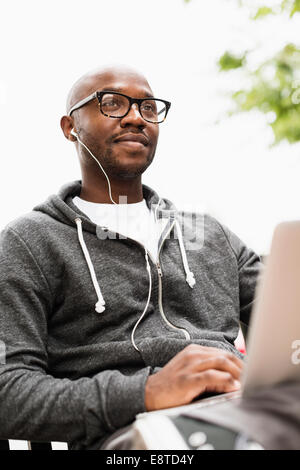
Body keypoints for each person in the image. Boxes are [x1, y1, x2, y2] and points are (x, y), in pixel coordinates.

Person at [0, 65, 262, 450]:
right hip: (130, 438)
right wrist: (147, 391)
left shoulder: (210, 235)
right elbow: (8, 392)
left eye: (149, 108)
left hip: (241, 414)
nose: (137, 117)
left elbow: (285, 320)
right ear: (70, 127)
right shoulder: (29, 243)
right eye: (113, 103)